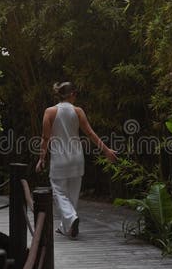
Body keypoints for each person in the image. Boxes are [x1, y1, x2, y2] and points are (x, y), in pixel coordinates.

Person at [36, 81, 117, 238]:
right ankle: (66, 227)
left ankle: (71, 218)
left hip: (59, 159)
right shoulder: (78, 111)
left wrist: (41, 158)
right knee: (72, 195)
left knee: (59, 192)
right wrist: (106, 150)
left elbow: (45, 138)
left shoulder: (50, 112)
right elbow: (90, 133)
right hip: (77, 159)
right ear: (72, 94)